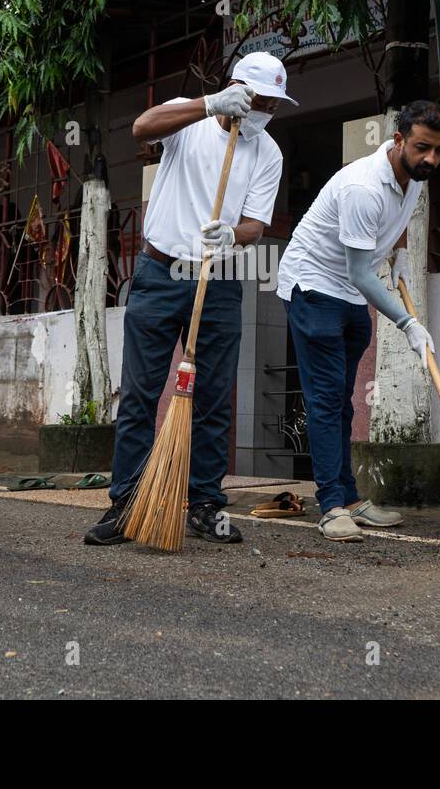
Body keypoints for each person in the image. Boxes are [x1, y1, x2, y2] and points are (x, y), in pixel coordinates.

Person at [85, 52, 295, 546]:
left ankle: (204, 504)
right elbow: (141, 128)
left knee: (214, 398)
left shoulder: (268, 152)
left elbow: (256, 224)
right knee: (140, 394)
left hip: (218, 278)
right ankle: (126, 502)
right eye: (260, 101)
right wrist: (207, 104)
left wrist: (234, 236)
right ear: (238, 90)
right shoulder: (190, 116)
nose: (267, 112)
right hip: (160, 272)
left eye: (274, 105)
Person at [275, 99, 440, 542]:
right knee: (324, 399)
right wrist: (406, 323)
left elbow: (398, 222)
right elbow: (359, 271)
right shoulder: (362, 187)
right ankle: (331, 505)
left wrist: (402, 254)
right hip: (314, 287)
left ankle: (350, 498)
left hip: (350, 292)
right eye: (423, 147)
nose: (432, 158)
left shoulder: (414, 177)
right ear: (398, 141)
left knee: (342, 400)